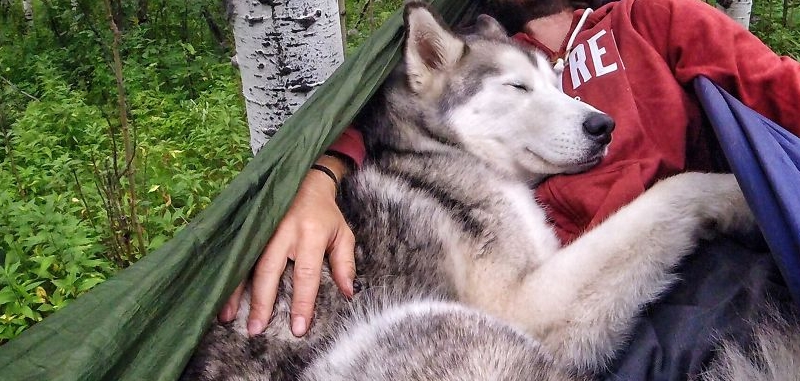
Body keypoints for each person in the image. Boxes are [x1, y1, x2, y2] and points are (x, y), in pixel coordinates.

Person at [219, 0, 800, 348]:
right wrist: (319, 175)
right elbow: (386, 112)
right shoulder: (488, 49)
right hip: (552, 308)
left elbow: (779, 89)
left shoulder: (654, 18)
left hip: (690, 282)